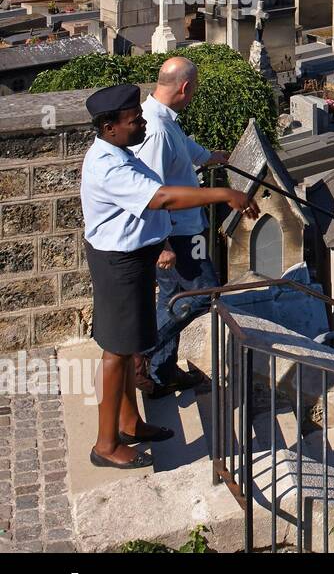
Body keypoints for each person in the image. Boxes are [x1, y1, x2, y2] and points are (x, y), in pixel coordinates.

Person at [81, 84, 259, 469]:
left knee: (126, 348)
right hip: (119, 264)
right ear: (110, 127)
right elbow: (161, 197)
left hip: (130, 260)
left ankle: (129, 423)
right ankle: (105, 444)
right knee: (116, 353)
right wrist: (225, 194)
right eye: (133, 121)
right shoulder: (110, 165)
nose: (142, 124)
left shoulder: (120, 152)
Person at [132, 56, 228, 396]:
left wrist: (213, 157)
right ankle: (139, 355)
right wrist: (162, 245)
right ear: (185, 88)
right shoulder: (156, 131)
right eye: (194, 89)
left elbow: (186, 149)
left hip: (183, 230)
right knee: (202, 294)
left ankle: (161, 372)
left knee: (171, 298)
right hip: (177, 234)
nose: (194, 94)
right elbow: (150, 193)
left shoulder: (160, 117)